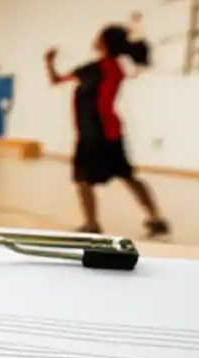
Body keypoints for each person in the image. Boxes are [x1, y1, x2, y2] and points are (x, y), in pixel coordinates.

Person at [45, 23, 170, 237]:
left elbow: (102, 101)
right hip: (96, 131)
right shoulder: (94, 68)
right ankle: (155, 218)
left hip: (99, 132)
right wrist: (49, 63)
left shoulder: (108, 68)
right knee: (123, 176)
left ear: (105, 42)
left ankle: (93, 224)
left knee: (85, 178)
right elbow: (56, 80)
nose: (95, 38)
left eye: (99, 36)